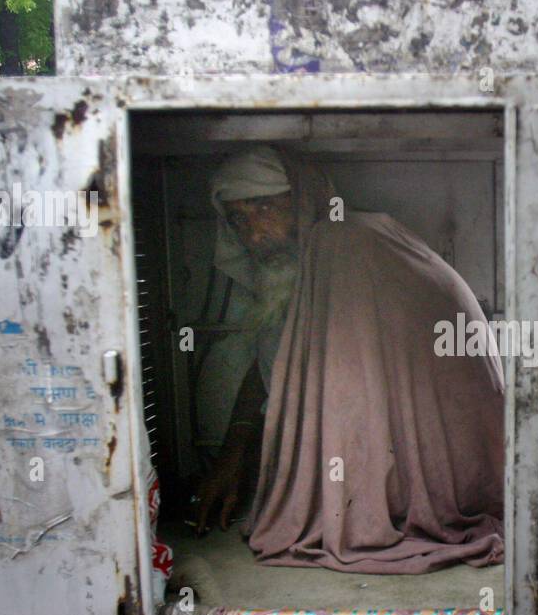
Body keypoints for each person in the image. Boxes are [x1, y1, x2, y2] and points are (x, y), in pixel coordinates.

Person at [192, 148, 506, 574]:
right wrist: (233, 452)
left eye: (264, 208)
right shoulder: (322, 252)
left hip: (448, 467)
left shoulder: (340, 241)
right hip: (476, 469)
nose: (254, 233)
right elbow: (282, 368)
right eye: (238, 220)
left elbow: (347, 392)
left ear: (302, 200)